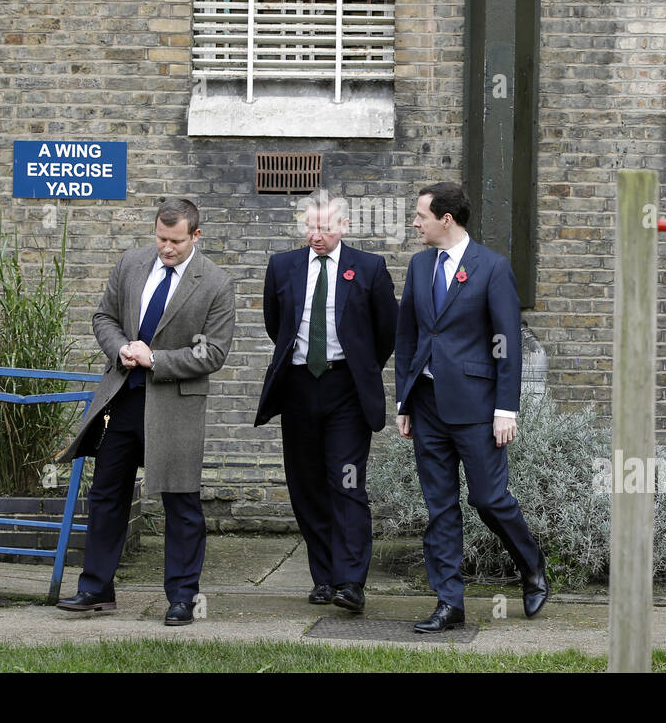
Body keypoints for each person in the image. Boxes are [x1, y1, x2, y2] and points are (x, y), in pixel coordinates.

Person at [55, 198, 235, 625]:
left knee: (180, 502)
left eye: (175, 241)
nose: (166, 248)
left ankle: (181, 597)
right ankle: (95, 589)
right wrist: (120, 348)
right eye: (160, 238)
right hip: (121, 401)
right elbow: (104, 317)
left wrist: (156, 359)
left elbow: (213, 352)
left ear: (195, 236)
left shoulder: (215, 282)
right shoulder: (131, 264)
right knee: (106, 497)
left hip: (175, 406)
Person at [395, 181, 548, 633]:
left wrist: (507, 409)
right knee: (440, 507)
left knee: (488, 499)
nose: (415, 223)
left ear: (446, 219)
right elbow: (408, 337)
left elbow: (507, 343)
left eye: (421, 215)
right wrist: (403, 400)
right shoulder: (420, 267)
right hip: (426, 407)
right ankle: (449, 603)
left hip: (478, 409)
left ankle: (533, 566)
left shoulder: (492, 268)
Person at [255, 191, 398, 613]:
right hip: (299, 388)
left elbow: (385, 332)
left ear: (344, 226)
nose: (317, 235)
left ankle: (351, 582)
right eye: (311, 227)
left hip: (346, 392)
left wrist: (360, 369)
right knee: (306, 486)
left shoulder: (369, 267)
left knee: (347, 483)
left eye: (326, 227)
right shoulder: (283, 265)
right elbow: (273, 323)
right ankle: (324, 578)